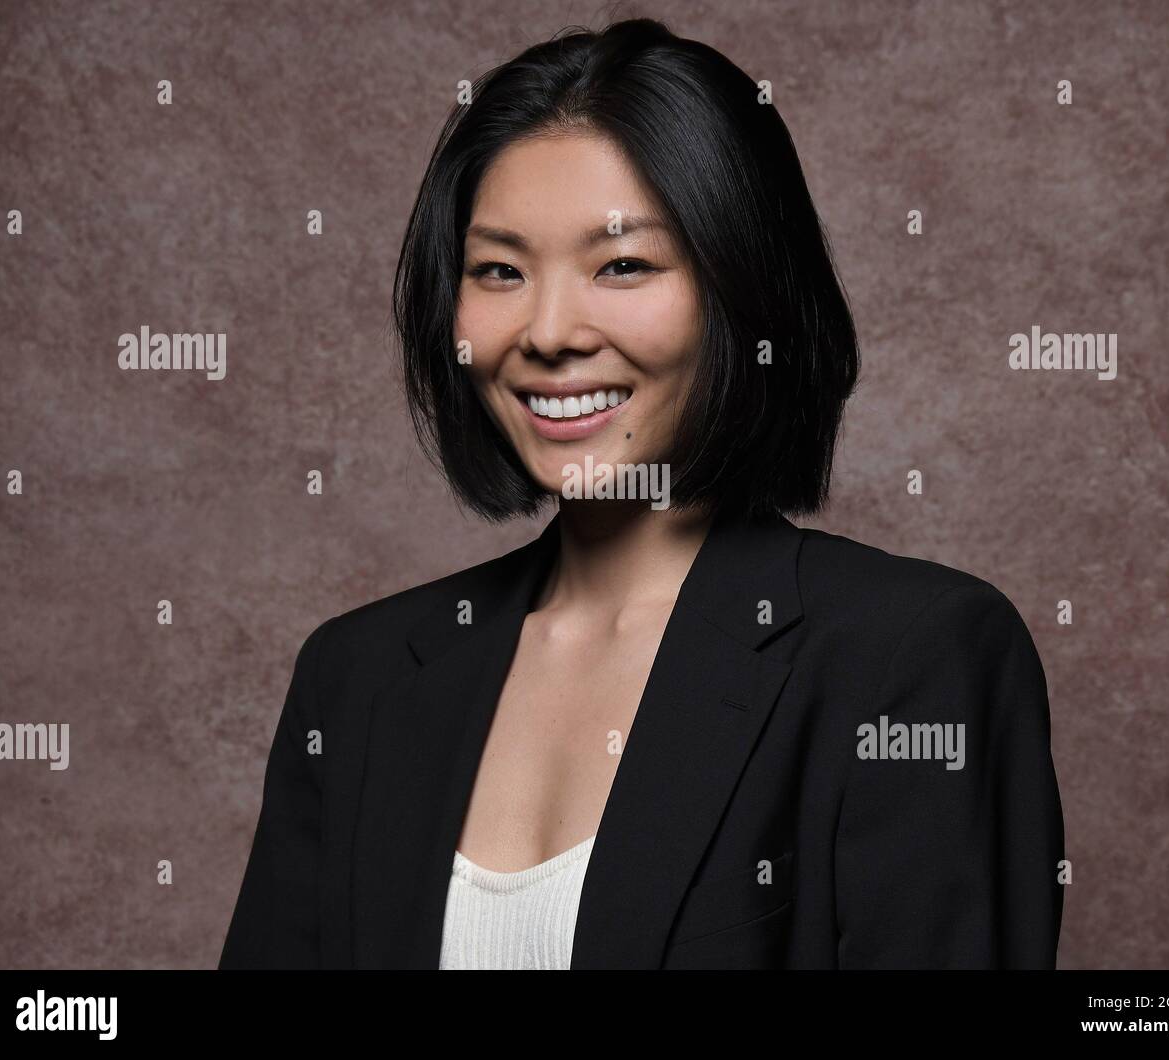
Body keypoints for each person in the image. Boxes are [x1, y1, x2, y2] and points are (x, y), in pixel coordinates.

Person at [218, 17, 1064, 970]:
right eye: (499, 270)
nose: (546, 331)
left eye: (622, 265)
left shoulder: (910, 660)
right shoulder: (358, 676)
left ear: (741, 292)